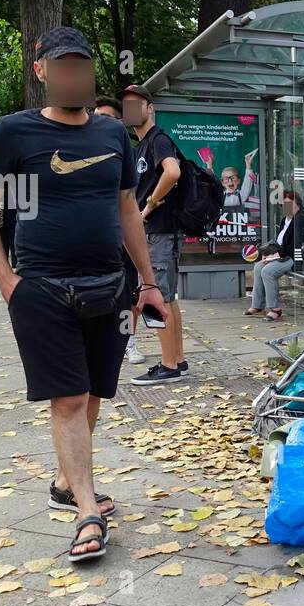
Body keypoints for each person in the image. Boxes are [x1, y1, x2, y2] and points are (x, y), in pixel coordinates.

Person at [0, 26, 169, 562]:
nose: (73, 75)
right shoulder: (14, 133)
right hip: (43, 289)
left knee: (96, 391)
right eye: (62, 66)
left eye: (81, 66)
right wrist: (7, 282)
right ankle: (85, 509)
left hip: (111, 287)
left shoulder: (112, 137)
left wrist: (148, 283)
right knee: (70, 398)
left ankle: (64, 480)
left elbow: (128, 209)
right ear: (42, 72)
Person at [119, 84, 187, 385]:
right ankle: (178, 359)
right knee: (167, 297)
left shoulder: (158, 139)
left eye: (137, 103)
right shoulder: (139, 146)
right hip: (157, 232)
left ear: (150, 107)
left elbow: (172, 172)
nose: (131, 108)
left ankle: (168, 366)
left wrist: (148, 206)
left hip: (160, 230)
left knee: (156, 295)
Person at [94, 94, 145, 365]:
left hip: (121, 238)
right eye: (97, 116)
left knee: (129, 294)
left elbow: (130, 203)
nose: (100, 123)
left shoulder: (127, 155)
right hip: (89, 243)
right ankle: (101, 341)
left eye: (108, 119)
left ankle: (128, 341)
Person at [247, 190, 304, 322]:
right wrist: (268, 254)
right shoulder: (285, 220)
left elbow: (294, 246)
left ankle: (275, 309)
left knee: (268, 271)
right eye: (283, 205)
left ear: (297, 204)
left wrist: (276, 256)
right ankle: (257, 306)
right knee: (258, 267)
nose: (285, 208)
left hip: (295, 257)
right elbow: (278, 243)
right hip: (283, 255)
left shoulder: (300, 220)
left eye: (289, 204)